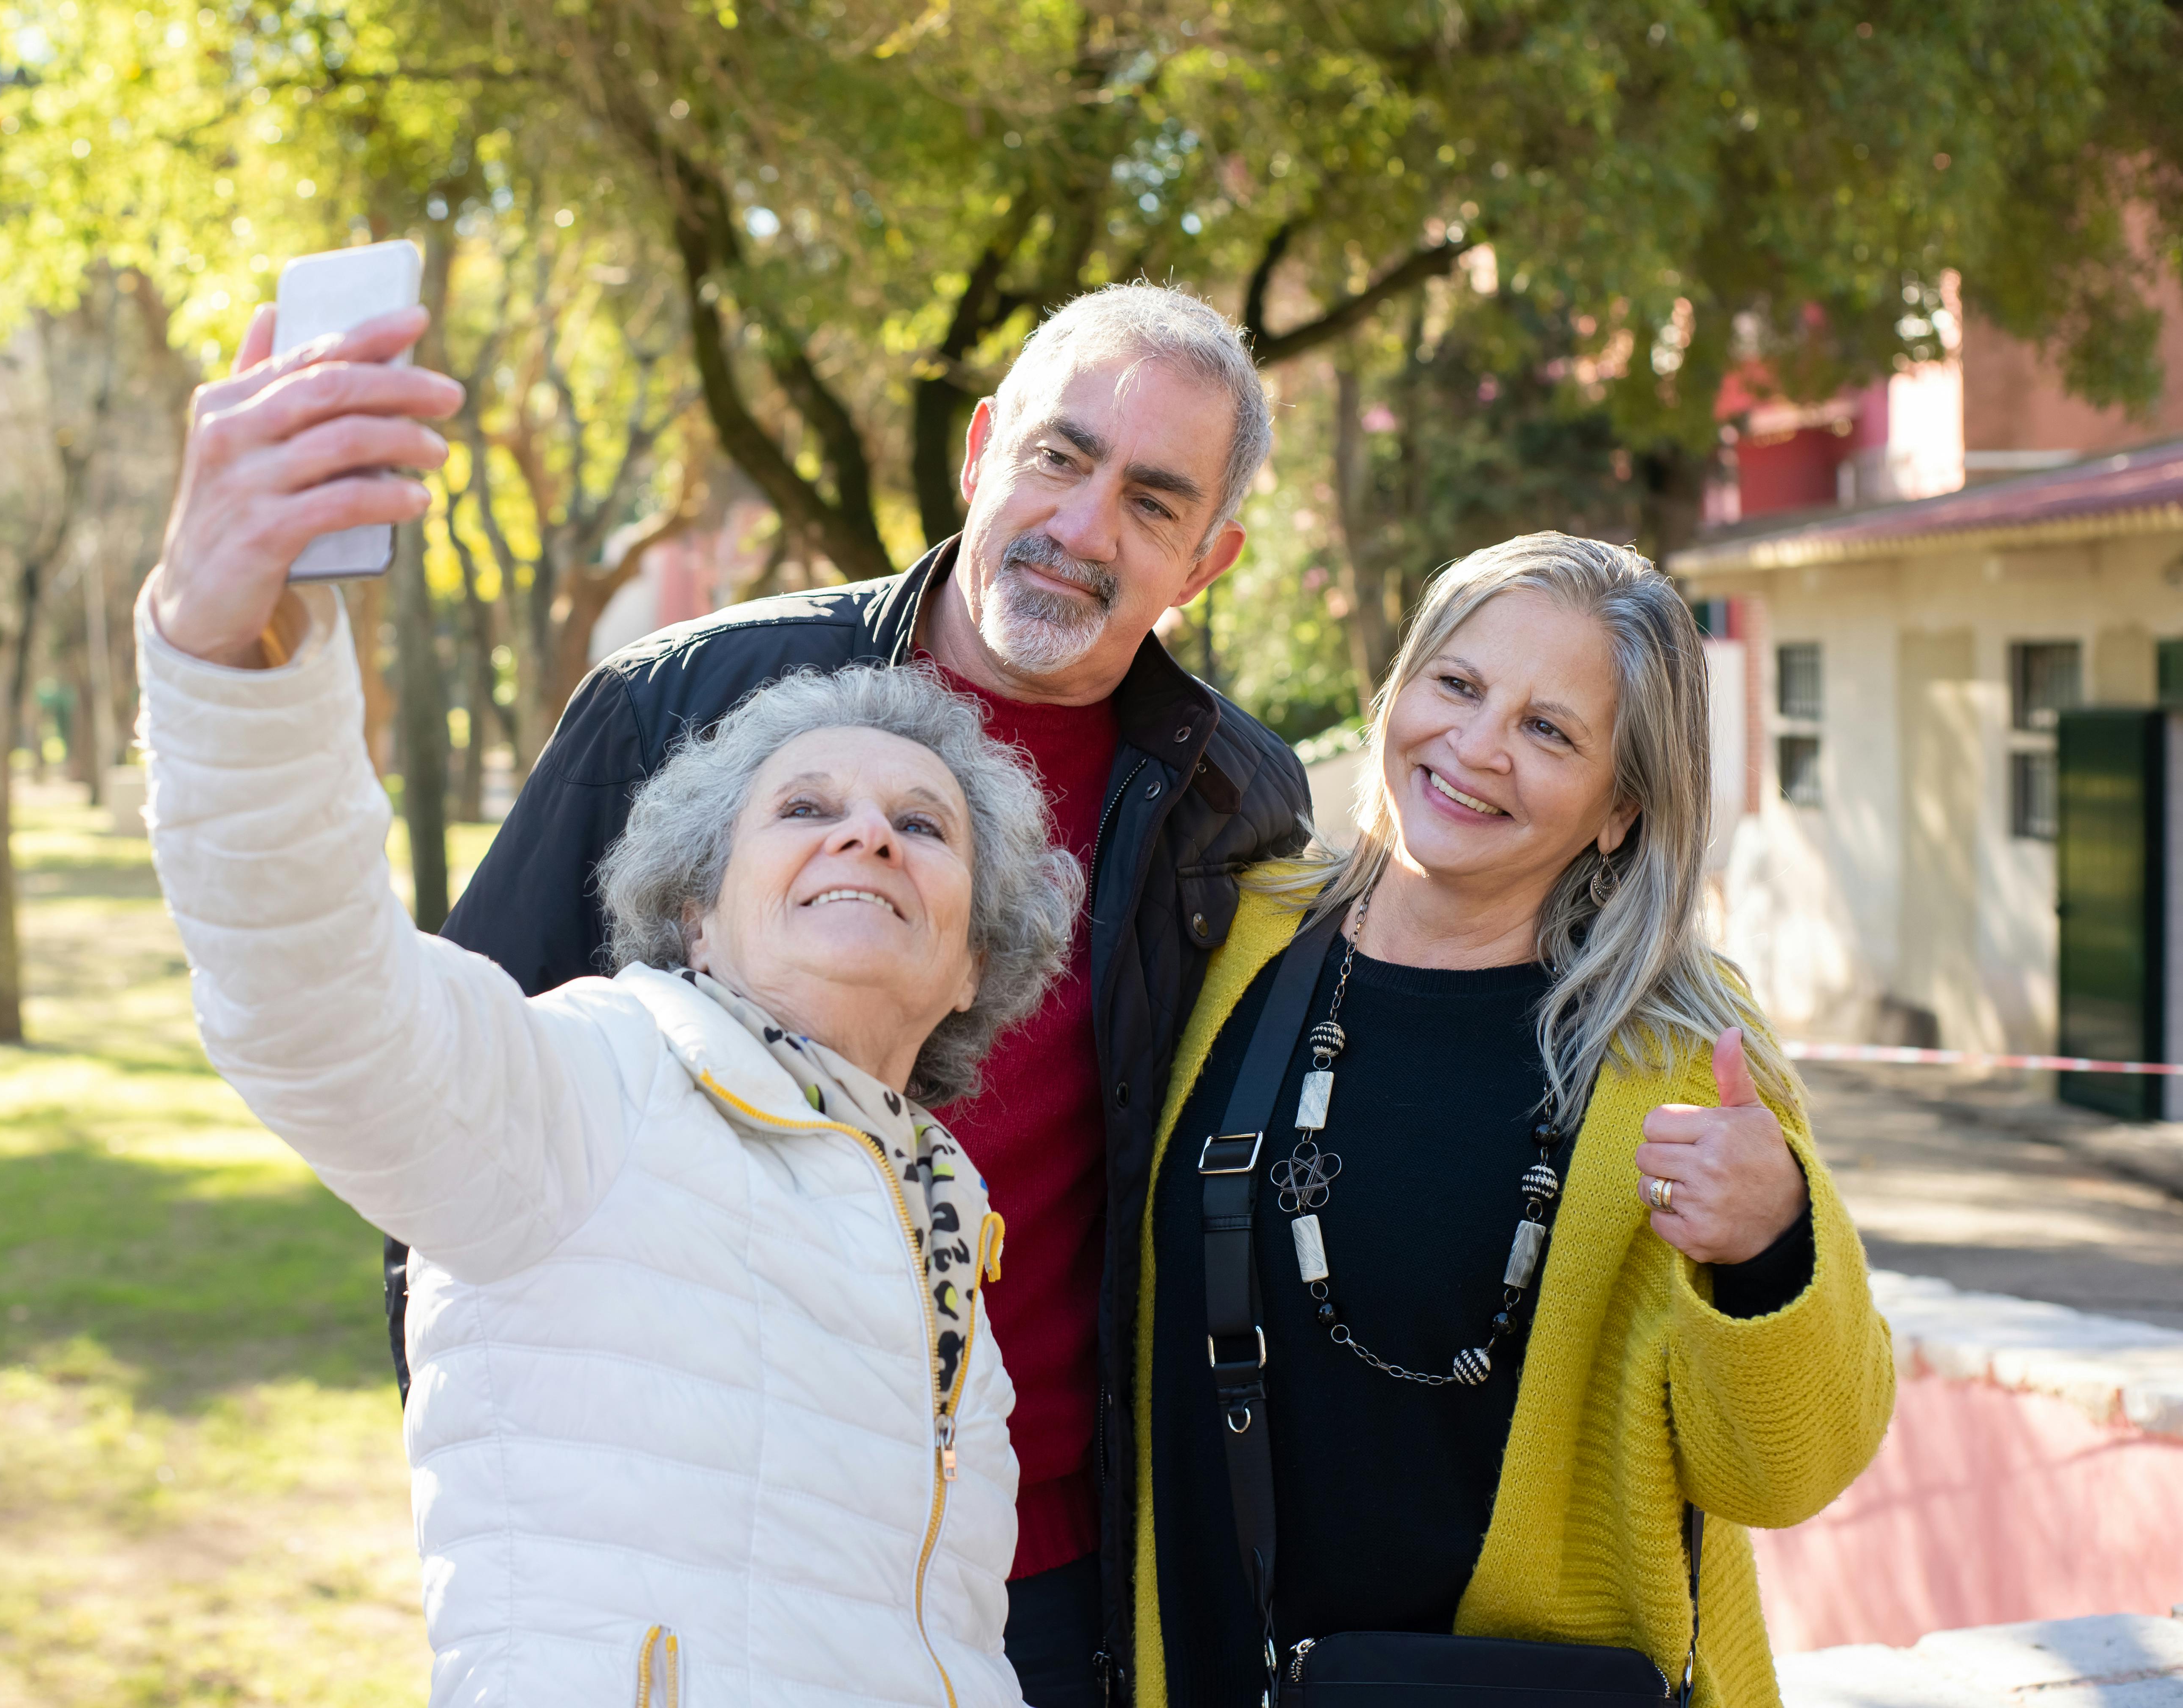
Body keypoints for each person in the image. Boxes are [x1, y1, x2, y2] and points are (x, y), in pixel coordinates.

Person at [137, 305, 1088, 1697]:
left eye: (922, 826)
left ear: (971, 965)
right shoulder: (598, 1084)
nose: (867, 837)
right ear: (696, 911)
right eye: (806, 807)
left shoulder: (939, 1207)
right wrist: (228, 657)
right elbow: (318, 1001)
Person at [413, 282, 1312, 1702]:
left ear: (1207, 560)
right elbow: (438, 1113)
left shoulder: (1233, 801)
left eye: (1153, 502)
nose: (1084, 529)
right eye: (1060, 458)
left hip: (1046, 1572)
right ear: (980, 451)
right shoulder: (679, 702)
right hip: (695, 1548)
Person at [1131, 534, 1896, 1706]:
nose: (1476, 748)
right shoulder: (1228, 941)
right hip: (1205, 1668)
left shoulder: (1677, 1053)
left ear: (1620, 808)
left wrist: (1771, 1241)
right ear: (1400, 691)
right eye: (1458, 684)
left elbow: (1788, 1470)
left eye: (1551, 731)